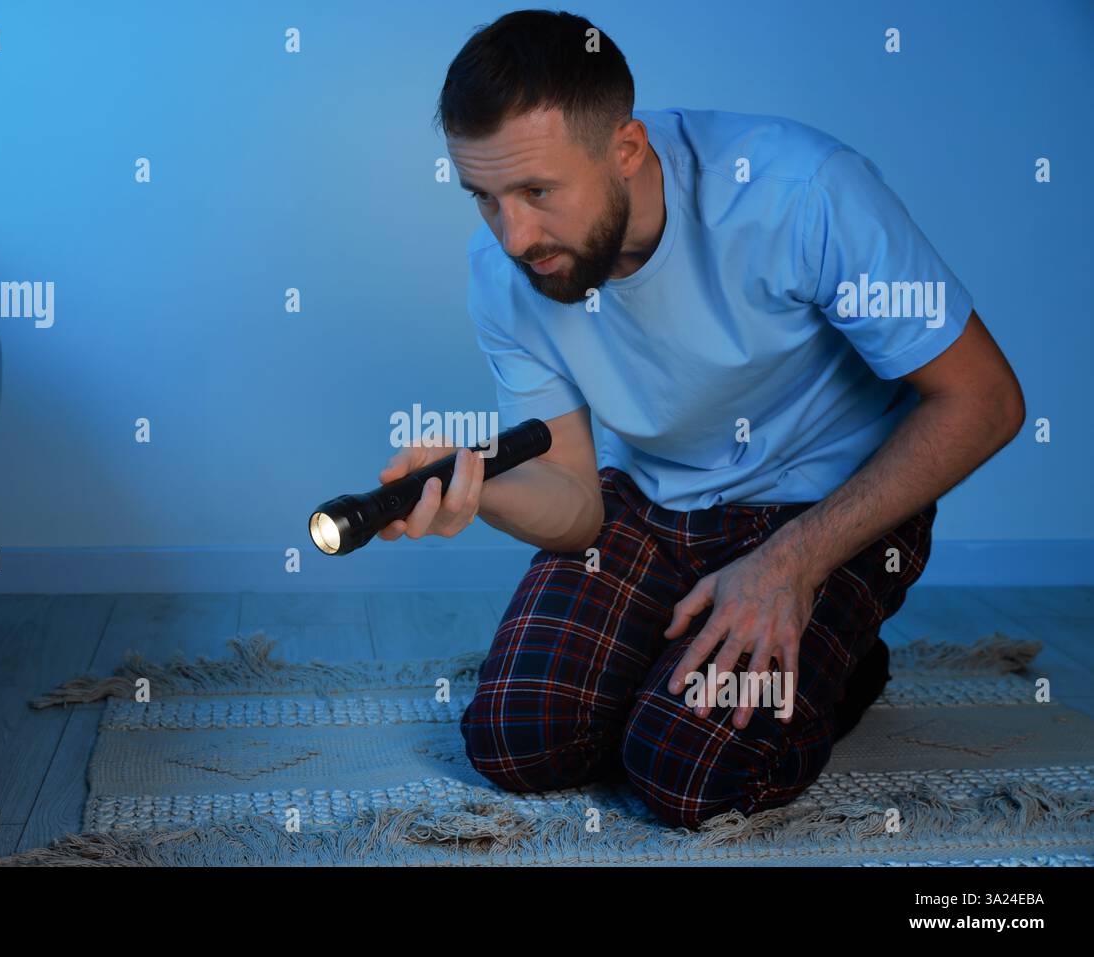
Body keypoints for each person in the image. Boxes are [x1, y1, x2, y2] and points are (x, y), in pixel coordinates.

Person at [377, 9, 1025, 829]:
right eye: (485, 200)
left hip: (827, 507)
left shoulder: (802, 192)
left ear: (626, 149)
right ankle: (680, 662)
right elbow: (578, 503)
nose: (514, 235)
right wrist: (482, 490)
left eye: (537, 192)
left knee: (684, 777)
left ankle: (841, 659)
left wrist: (795, 563)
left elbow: (986, 401)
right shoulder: (508, 272)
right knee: (517, 744)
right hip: (651, 502)